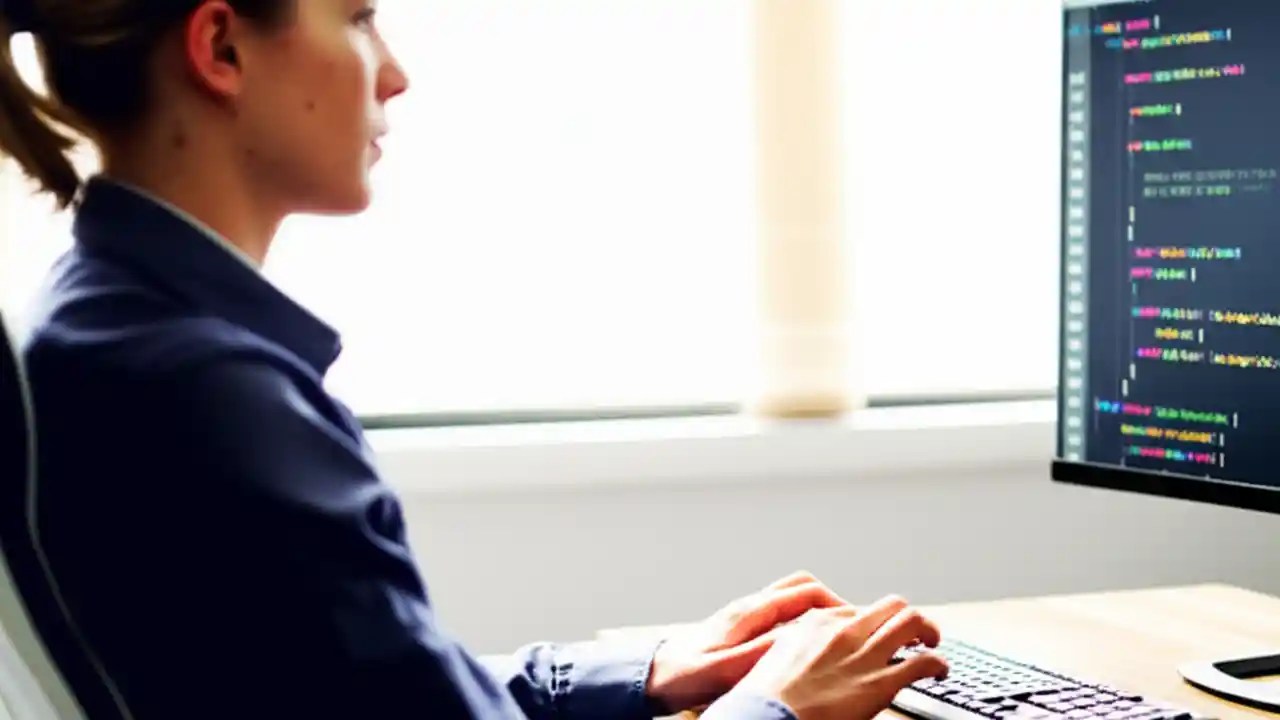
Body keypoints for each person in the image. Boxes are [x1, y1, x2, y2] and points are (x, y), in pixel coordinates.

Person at [0, 1, 949, 718]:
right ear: (222, 48)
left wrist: (649, 672)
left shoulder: (101, 326)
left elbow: (367, 692)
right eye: (358, 19)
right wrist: (777, 706)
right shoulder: (207, 393)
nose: (396, 74)